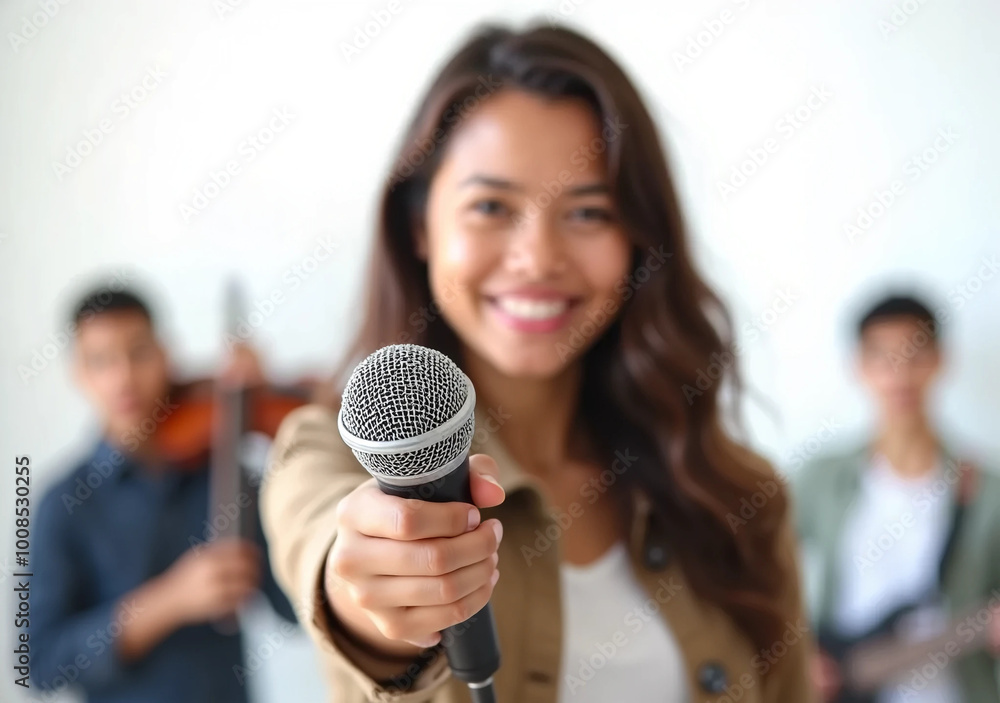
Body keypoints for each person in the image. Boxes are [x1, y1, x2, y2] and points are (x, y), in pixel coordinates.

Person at [261, 24, 814, 703]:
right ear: (419, 227)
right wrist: (377, 604)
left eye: (587, 212)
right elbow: (331, 549)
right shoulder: (325, 456)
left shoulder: (735, 492)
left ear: (639, 241)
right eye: (491, 206)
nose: (537, 258)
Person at [31, 286, 296, 703]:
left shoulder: (222, 470)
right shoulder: (64, 503)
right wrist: (168, 602)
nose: (123, 377)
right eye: (101, 361)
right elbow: (42, 663)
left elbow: (298, 608)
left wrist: (290, 451)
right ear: (79, 374)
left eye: (139, 352)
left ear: (165, 355)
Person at [792, 293, 1000, 702]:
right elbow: (755, 571)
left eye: (914, 356)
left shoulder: (987, 491)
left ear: (940, 360)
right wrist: (795, 652)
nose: (899, 375)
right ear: (859, 367)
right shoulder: (822, 479)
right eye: (883, 358)